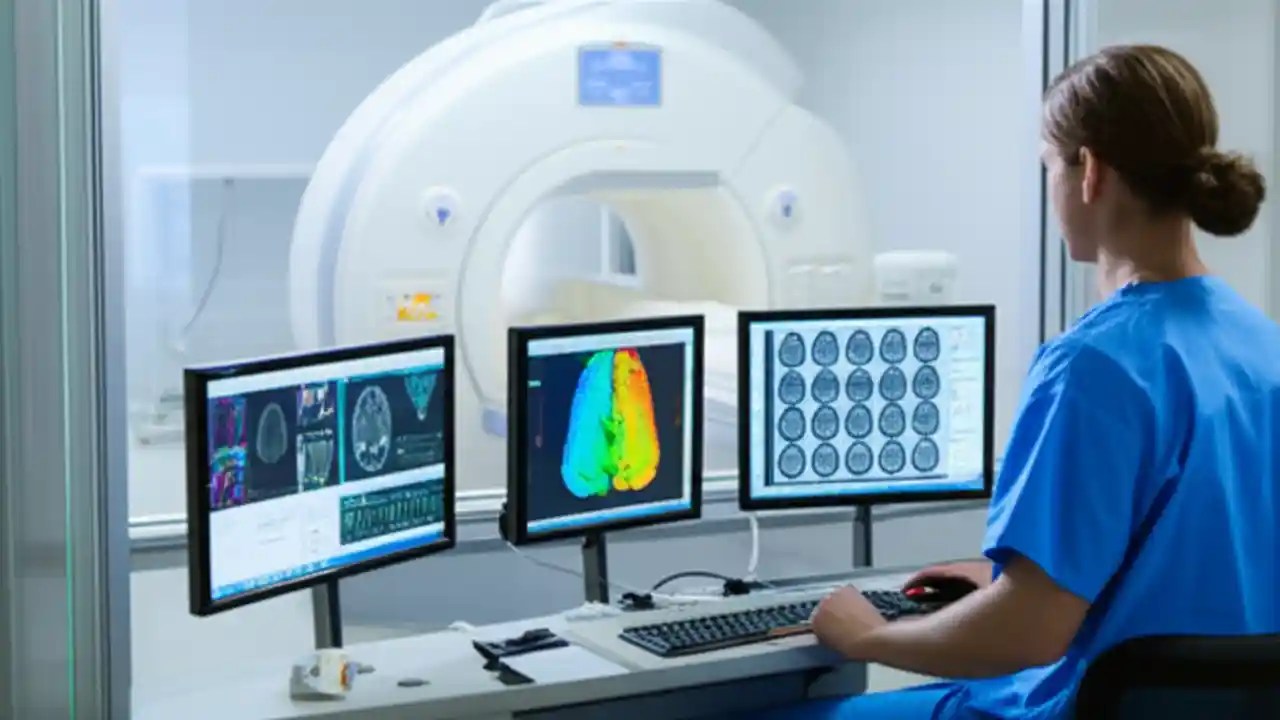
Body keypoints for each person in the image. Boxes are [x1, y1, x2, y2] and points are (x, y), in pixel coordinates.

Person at [757, 44, 1273, 719]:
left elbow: (1030, 632)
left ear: (1088, 172)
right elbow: (1197, 565)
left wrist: (871, 635)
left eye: (1049, 166)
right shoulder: (1261, 343)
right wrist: (1014, 581)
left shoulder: (1095, 367)